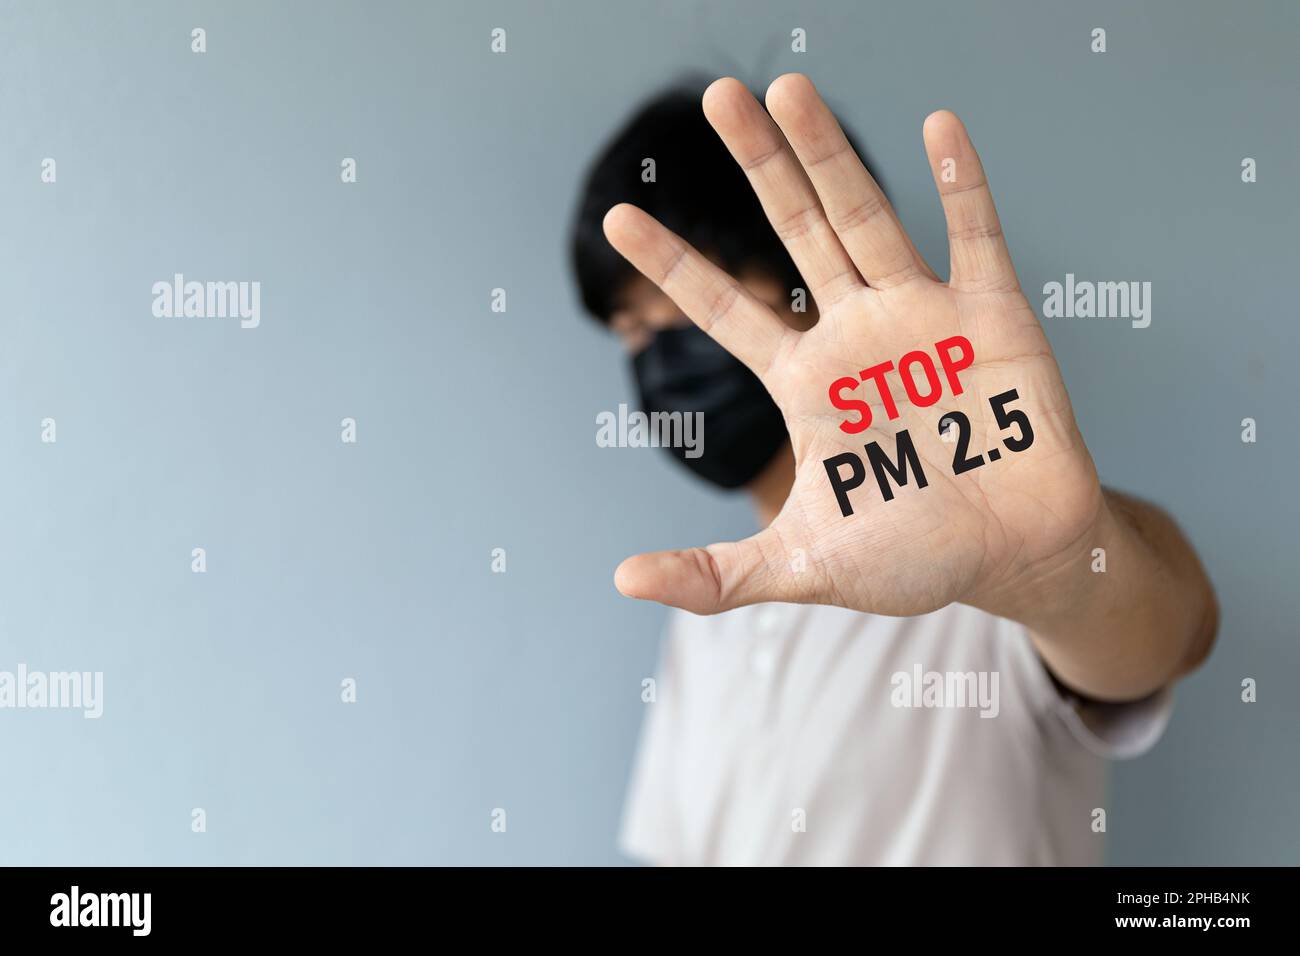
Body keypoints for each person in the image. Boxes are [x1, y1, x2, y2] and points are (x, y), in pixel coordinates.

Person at [569, 74, 1218, 865]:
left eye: (697, 307)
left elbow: (1170, 632)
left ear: (810, 285)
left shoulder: (973, 556)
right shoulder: (704, 615)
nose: (663, 359)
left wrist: (1059, 570)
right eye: (635, 331)